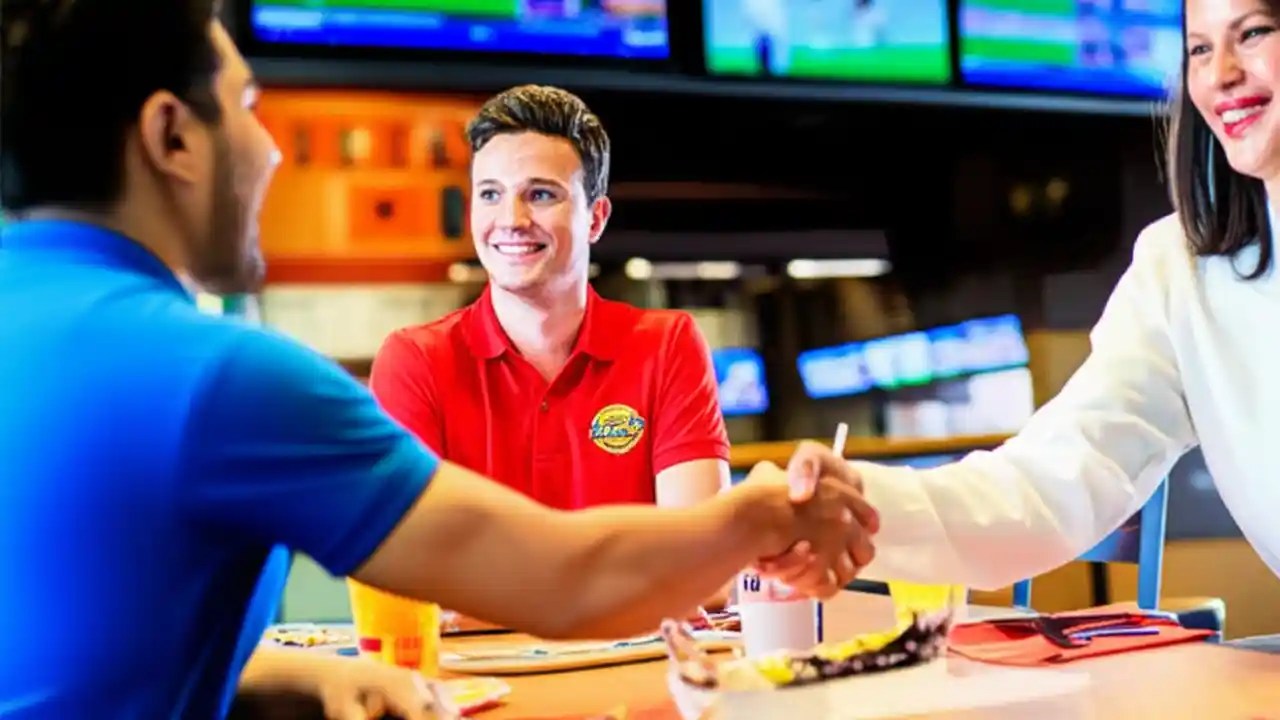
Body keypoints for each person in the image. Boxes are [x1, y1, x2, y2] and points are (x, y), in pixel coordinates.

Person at [0, 3, 877, 719]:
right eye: (248, 105)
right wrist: (764, 515)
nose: (269, 151)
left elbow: (95, 652)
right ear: (171, 136)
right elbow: (559, 580)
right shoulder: (232, 379)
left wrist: (292, 676)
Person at [828, 0, 1280, 647]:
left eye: (1254, 33)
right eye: (1199, 49)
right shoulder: (1177, 268)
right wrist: (859, 504)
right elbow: (1060, 475)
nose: (1221, 74)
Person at [372, 86, 730, 516]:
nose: (511, 220)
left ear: (595, 218)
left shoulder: (667, 346)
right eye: (490, 194)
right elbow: (410, 560)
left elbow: (698, 554)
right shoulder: (415, 361)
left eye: (540, 194)